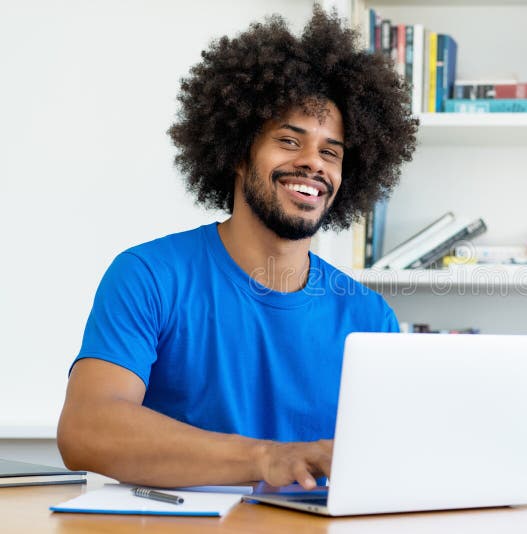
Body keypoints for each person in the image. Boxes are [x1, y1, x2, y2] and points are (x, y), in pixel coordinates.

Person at [56, 5, 417, 490]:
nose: (313, 163)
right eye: (289, 141)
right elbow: (86, 430)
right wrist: (266, 458)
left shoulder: (370, 318)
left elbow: (391, 464)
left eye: (331, 151)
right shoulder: (149, 276)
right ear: (237, 153)